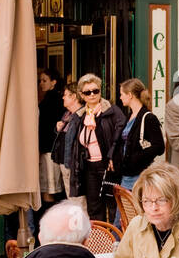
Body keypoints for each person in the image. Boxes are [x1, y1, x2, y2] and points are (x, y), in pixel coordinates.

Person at [65, 73, 126, 221]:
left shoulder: (112, 111)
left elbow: (121, 137)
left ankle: (114, 240)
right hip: (89, 166)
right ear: (82, 95)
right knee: (94, 207)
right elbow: (73, 142)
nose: (92, 95)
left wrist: (114, 157)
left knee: (112, 205)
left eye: (95, 91)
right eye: (88, 92)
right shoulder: (79, 115)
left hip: (108, 166)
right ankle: (98, 241)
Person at [110, 78, 166, 191]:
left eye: (121, 94)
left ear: (130, 95)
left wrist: (136, 157)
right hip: (126, 175)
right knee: (124, 208)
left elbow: (159, 147)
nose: (120, 97)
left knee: (136, 207)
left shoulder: (148, 118)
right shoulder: (129, 116)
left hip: (140, 175)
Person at [52, 82, 86, 208]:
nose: (63, 97)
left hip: (74, 164)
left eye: (65, 95)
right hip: (65, 163)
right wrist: (58, 128)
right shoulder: (67, 115)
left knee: (78, 200)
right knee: (71, 199)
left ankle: (82, 226)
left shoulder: (81, 115)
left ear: (74, 97)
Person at [37, 68, 66, 206]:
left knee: (49, 189)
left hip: (50, 149)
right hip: (48, 149)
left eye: (44, 80)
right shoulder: (46, 100)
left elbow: (47, 129)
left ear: (53, 82)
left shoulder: (53, 101)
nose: (41, 84)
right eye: (40, 81)